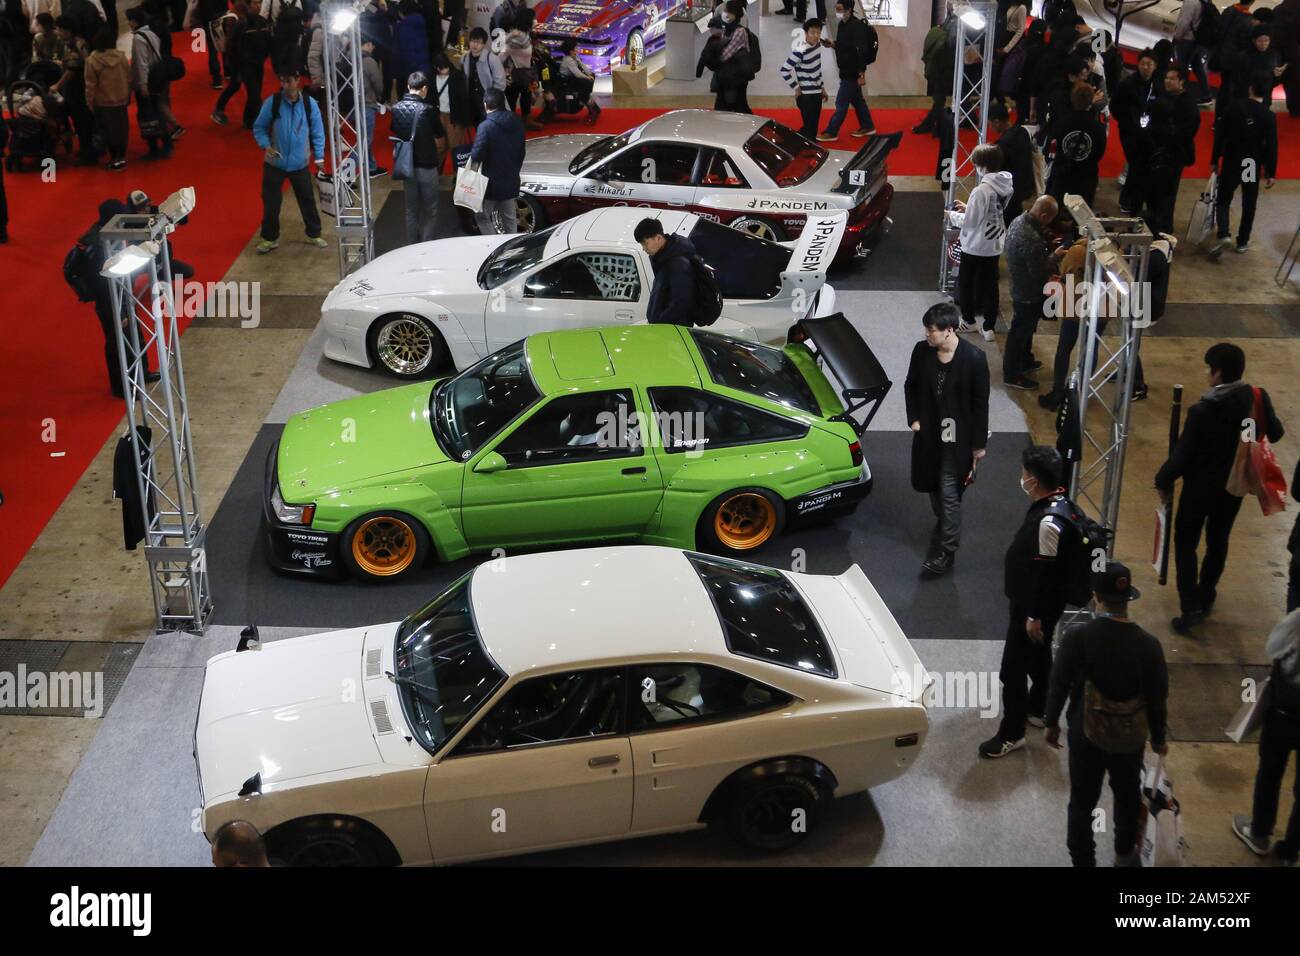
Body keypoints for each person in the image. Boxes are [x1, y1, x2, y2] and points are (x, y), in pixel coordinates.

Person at [1044, 561, 1169, 867]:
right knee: (1127, 799)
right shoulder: (1149, 646)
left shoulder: (1078, 637)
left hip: (1085, 734)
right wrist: (1159, 737)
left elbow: (1058, 683)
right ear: (1129, 599)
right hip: (1129, 740)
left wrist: (1051, 723)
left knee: (1082, 803)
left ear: (1096, 597)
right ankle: (1124, 855)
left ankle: (1083, 860)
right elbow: (1157, 697)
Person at [1155, 343, 1285, 633]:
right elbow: (1275, 433)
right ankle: (1206, 595)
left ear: (1218, 372)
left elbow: (1183, 455)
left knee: (1186, 542)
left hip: (1199, 489)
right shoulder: (1256, 397)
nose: (1205, 373)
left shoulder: (1203, 411)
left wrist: (1162, 480)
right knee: (1219, 540)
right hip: (1233, 487)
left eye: (1208, 368)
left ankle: (1189, 608)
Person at [981, 445, 1072, 758]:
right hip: (1041, 603)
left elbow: (1044, 571)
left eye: (1025, 473)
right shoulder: (1061, 504)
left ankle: (1012, 732)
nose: (1021, 477)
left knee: (1013, 669)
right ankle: (1038, 708)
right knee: (1039, 655)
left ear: (1034, 480)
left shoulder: (1048, 522)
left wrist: (1032, 615)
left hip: (1032, 606)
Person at [904, 302, 990, 577]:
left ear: (949, 331)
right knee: (933, 485)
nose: (926, 335)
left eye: (931, 330)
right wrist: (914, 419)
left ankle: (947, 551)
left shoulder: (974, 358)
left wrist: (978, 445)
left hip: (958, 439)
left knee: (950, 492)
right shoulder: (922, 352)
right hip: (929, 434)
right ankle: (944, 523)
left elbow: (980, 405)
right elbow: (911, 385)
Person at [1231, 609, 1300, 865]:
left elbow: (1273, 648)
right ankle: (1289, 850)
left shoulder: (1299, 620)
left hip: (1286, 711)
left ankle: (1259, 833)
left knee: (1271, 770)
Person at [252, 73, 327, 254]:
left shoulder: (309, 105)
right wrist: (266, 145)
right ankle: (269, 238)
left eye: (288, 81)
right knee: (271, 203)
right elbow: (259, 127)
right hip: (274, 163)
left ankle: (314, 233)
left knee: (307, 200)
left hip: (299, 164)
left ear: (297, 81)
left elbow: (318, 132)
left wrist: (319, 157)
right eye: (282, 81)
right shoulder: (273, 102)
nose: (285, 85)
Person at [950, 143, 1013, 341]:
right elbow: (991, 210)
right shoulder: (1005, 185)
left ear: (981, 165)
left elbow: (970, 222)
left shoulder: (981, 191)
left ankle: (968, 321)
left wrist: (951, 215)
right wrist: (969, 207)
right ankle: (989, 326)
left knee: (966, 283)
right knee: (990, 286)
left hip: (976, 245)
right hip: (994, 244)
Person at [1209, 77, 1277, 258]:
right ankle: (1243, 241)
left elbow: (1220, 135)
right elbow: (1271, 145)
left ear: (1250, 88)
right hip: (1250, 163)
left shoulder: (1233, 107)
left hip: (1232, 160)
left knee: (1223, 199)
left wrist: (1215, 159)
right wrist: (1271, 172)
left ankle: (1223, 233)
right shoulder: (1268, 116)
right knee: (1249, 202)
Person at [1003, 197, 1066, 390]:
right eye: (1049, 219)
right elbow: (1039, 272)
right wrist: (1055, 256)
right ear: (1043, 215)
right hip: (1028, 292)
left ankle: (1024, 360)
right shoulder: (1032, 240)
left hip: (1019, 285)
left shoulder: (1018, 221)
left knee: (1026, 329)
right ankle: (1012, 374)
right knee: (1020, 332)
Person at [390, 70, 446, 244]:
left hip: (407, 165)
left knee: (411, 210)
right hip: (427, 165)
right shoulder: (429, 110)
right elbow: (439, 135)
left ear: (408, 86)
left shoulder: (396, 109)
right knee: (430, 209)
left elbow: (396, 131)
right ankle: (426, 245)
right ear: (424, 89)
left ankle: (411, 246)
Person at [1143, 63, 1200, 236]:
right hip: (1156, 153)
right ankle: (1151, 226)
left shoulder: (1188, 105)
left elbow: (1187, 132)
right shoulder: (1163, 98)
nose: (1167, 81)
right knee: (1152, 193)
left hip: (1173, 157)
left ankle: (1163, 232)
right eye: (1166, 78)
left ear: (1181, 82)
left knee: (1166, 196)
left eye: (1172, 79)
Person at [816, 0, 875, 140]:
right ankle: (868, 126)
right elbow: (845, 45)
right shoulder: (843, 24)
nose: (838, 12)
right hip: (845, 68)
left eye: (840, 9)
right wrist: (832, 44)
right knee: (857, 100)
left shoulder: (858, 27)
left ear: (849, 9)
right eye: (836, 9)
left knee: (841, 103)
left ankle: (832, 131)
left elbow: (862, 51)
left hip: (852, 71)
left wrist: (862, 73)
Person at [469, 87, 524, 235]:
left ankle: (492, 244)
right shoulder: (517, 121)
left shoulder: (485, 126)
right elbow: (521, 151)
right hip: (511, 178)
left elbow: (477, 155)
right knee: (510, 218)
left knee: (481, 215)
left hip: (490, 183)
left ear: (486, 105)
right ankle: (511, 246)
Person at [1113, 48, 1160, 213]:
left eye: (1150, 64)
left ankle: (1134, 198)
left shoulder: (1156, 85)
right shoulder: (1127, 85)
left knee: (1141, 166)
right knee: (1135, 164)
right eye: (1143, 64)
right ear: (1138, 64)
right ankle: (1126, 199)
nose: (1146, 67)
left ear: (1155, 66)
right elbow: (1115, 108)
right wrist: (1128, 122)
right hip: (1130, 133)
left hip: (1147, 132)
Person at [1045, 81, 1107, 206]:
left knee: (1055, 210)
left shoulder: (1062, 123)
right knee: (1082, 214)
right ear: (1091, 101)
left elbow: (1051, 148)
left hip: (1063, 173)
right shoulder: (1098, 127)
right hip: (1086, 175)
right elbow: (1099, 153)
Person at [634, 217, 697, 327]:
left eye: (645, 243)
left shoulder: (678, 263)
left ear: (658, 238)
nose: (644, 248)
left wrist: (660, 323)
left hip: (673, 330)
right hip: (665, 328)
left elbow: (680, 302)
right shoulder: (662, 259)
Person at [126, 6, 172, 158]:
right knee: (157, 111)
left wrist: (142, 84)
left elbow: (141, 63)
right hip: (157, 77)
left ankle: (154, 147)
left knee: (148, 115)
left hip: (147, 81)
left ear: (133, 21)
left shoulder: (138, 38)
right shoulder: (151, 33)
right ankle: (166, 142)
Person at [84, 26, 130, 170]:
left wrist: (89, 102)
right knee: (121, 129)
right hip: (121, 98)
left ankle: (114, 157)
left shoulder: (92, 60)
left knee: (107, 131)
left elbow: (90, 84)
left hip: (103, 101)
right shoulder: (121, 56)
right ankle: (122, 157)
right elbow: (128, 77)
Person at [51, 15, 95, 165]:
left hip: (77, 88)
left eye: (59, 29)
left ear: (66, 30)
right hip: (85, 85)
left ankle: (87, 154)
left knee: (81, 121)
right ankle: (88, 150)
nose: (57, 32)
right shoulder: (81, 41)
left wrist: (57, 84)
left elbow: (72, 69)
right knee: (85, 121)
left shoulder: (71, 44)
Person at [780, 18, 828, 140]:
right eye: (813, 32)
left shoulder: (817, 46)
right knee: (810, 128)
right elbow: (784, 70)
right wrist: (796, 87)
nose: (816, 35)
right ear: (805, 33)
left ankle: (800, 145)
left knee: (812, 127)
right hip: (806, 96)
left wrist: (822, 87)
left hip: (816, 93)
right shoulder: (800, 50)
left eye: (818, 32)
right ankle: (797, 145)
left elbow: (817, 68)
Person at [987, 100, 1033, 222]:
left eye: (990, 123)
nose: (990, 127)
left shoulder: (1002, 144)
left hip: (1009, 192)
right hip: (1024, 187)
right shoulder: (1022, 132)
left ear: (997, 121)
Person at [915, 8, 955, 135]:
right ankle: (934, 124)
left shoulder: (952, 21)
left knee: (940, 98)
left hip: (943, 67)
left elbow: (951, 42)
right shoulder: (953, 20)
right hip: (943, 66)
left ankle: (931, 124)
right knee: (940, 98)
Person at [501, 7, 538, 129]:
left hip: (524, 73)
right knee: (512, 97)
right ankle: (509, 124)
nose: (535, 21)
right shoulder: (518, 37)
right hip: (516, 73)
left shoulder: (525, 34)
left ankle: (525, 120)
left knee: (525, 95)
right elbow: (503, 53)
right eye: (533, 18)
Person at [462, 25, 505, 131]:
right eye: (472, 41)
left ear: (484, 44)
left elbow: (500, 83)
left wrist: (492, 101)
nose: (475, 45)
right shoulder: (465, 58)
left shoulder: (492, 59)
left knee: (493, 130)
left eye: (479, 42)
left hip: (489, 103)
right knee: (479, 129)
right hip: (472, 102)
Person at [431, 53, 471, 159]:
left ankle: (459, 173)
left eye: (446, 66)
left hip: (454, 117)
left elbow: (463, 100)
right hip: (438, 116)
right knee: (439, 146)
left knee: (457, 148)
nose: (445, 70)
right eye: (442, 68)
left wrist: (465, 121)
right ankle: (435, 172)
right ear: (436, 68)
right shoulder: (431, 78)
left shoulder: (457, 76)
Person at [1172, 0, 1213, 100]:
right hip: (1198, 40)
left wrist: (1177, 36)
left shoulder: (1191, 2)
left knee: (1182, 68)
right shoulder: (1204, 2)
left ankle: (1181, 94)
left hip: (1187, 40)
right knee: (1197, 67)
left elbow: (1184, 22)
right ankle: (1206, 93)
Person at [554, 38, 600, 124]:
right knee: (585, 87)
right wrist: (588, 77)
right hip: (566, 82)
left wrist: (590, 74)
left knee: (586, 86)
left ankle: (593, 109)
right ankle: (593, 109)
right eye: (576, 47)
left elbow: (582, 66)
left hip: (572, 80)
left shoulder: (575, 57)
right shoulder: (568, 60)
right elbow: (577, 74)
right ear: (571, 50)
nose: (577, 49)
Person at [393, 0, 430, 86]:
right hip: (423, 66)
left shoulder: (400, 28)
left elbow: (397, 52)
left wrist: (395, 73)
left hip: (407, 70)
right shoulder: (421, 22)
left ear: (401, 12)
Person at [1275, 0, 1300, 117]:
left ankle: (1294, 108)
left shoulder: (1279, 8)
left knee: (1289, 80)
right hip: (1295, 48)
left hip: (1282, 51)